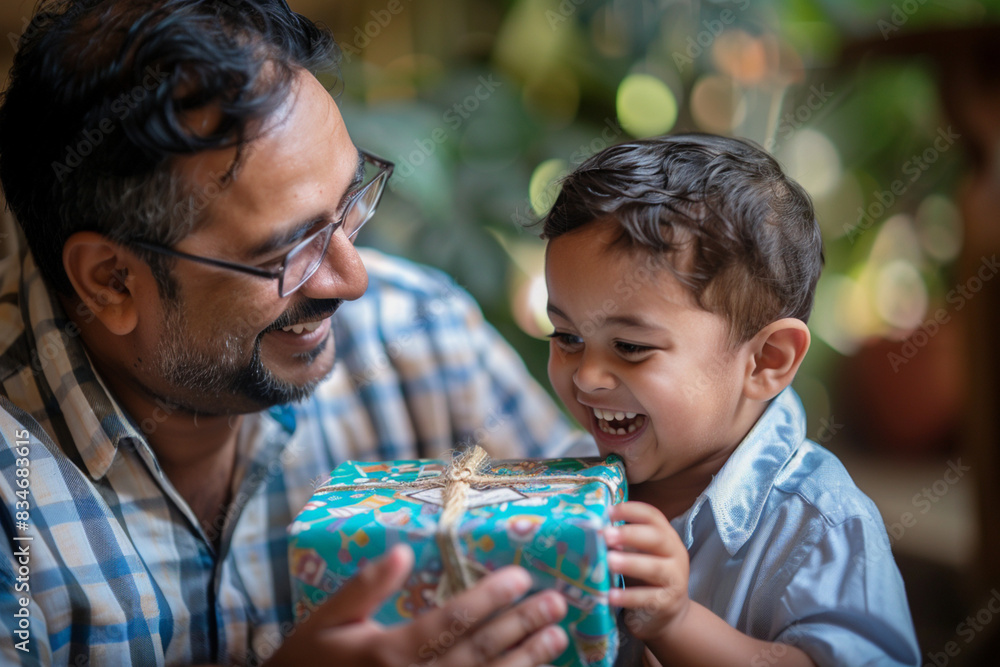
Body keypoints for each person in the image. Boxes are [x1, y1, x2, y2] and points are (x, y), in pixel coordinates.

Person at [0, 1, 578, 665]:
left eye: (348, 206)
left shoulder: (421, 334)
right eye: (291, 248)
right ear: (112, 281)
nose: (351, 279)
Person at [540, 134, 921, 666]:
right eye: (567, 337)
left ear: (767, 361)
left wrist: (679, 623)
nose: (589, 377)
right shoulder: (560, 492)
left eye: (629, 346)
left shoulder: (818, 524)